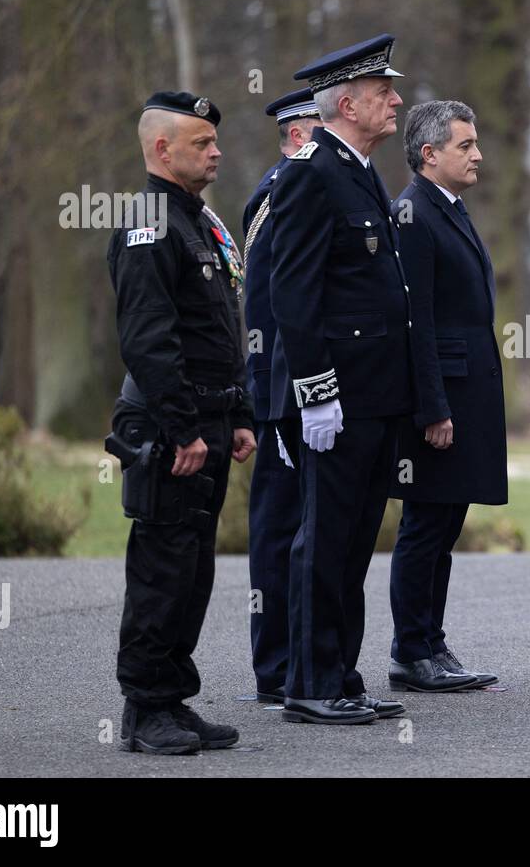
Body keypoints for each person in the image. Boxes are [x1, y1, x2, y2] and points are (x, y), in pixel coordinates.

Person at [106, 90, 256, 754]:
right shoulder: (148, 224)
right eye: (202, 142)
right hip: (173, 430)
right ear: (163, 149)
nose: (216, 150)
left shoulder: (199, 222)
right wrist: (182, 428)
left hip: (212, 420)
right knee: (162, 568)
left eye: (215, 141)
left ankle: (175, 697)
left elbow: (222, 326)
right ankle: (144, 710)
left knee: (194, 569)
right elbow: (148, 339)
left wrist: (240, 411)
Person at [267, 34, 411, 725]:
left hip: (375, 394)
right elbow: (293, 294)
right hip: (339, 396)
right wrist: (316, 394)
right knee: (324, 541)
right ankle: (309, 682)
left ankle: (340, 673)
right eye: (386, 94)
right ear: (348, 103)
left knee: (353, 544)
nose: (398, 101)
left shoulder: (357, 169)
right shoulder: (309, 171)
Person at [388, 100, 505, 692]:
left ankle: (432, 642)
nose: (477, 154)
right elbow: (417, 321)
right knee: (426, 525)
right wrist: (433, 407)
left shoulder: (446, 208)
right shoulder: (413, 213)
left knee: (445, 524)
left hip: (464, 392)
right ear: (429, 154)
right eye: (466, 145)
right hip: (442, 401)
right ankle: (411, 651)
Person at [242, 87, 318, 703]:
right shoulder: (279, 194)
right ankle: (276, 667)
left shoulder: (302, 189)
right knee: (278, 526)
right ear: (298, 135)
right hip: (279, 390)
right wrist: (272, 393)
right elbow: (267, 304)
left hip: (293, 386)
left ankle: (300, 661)